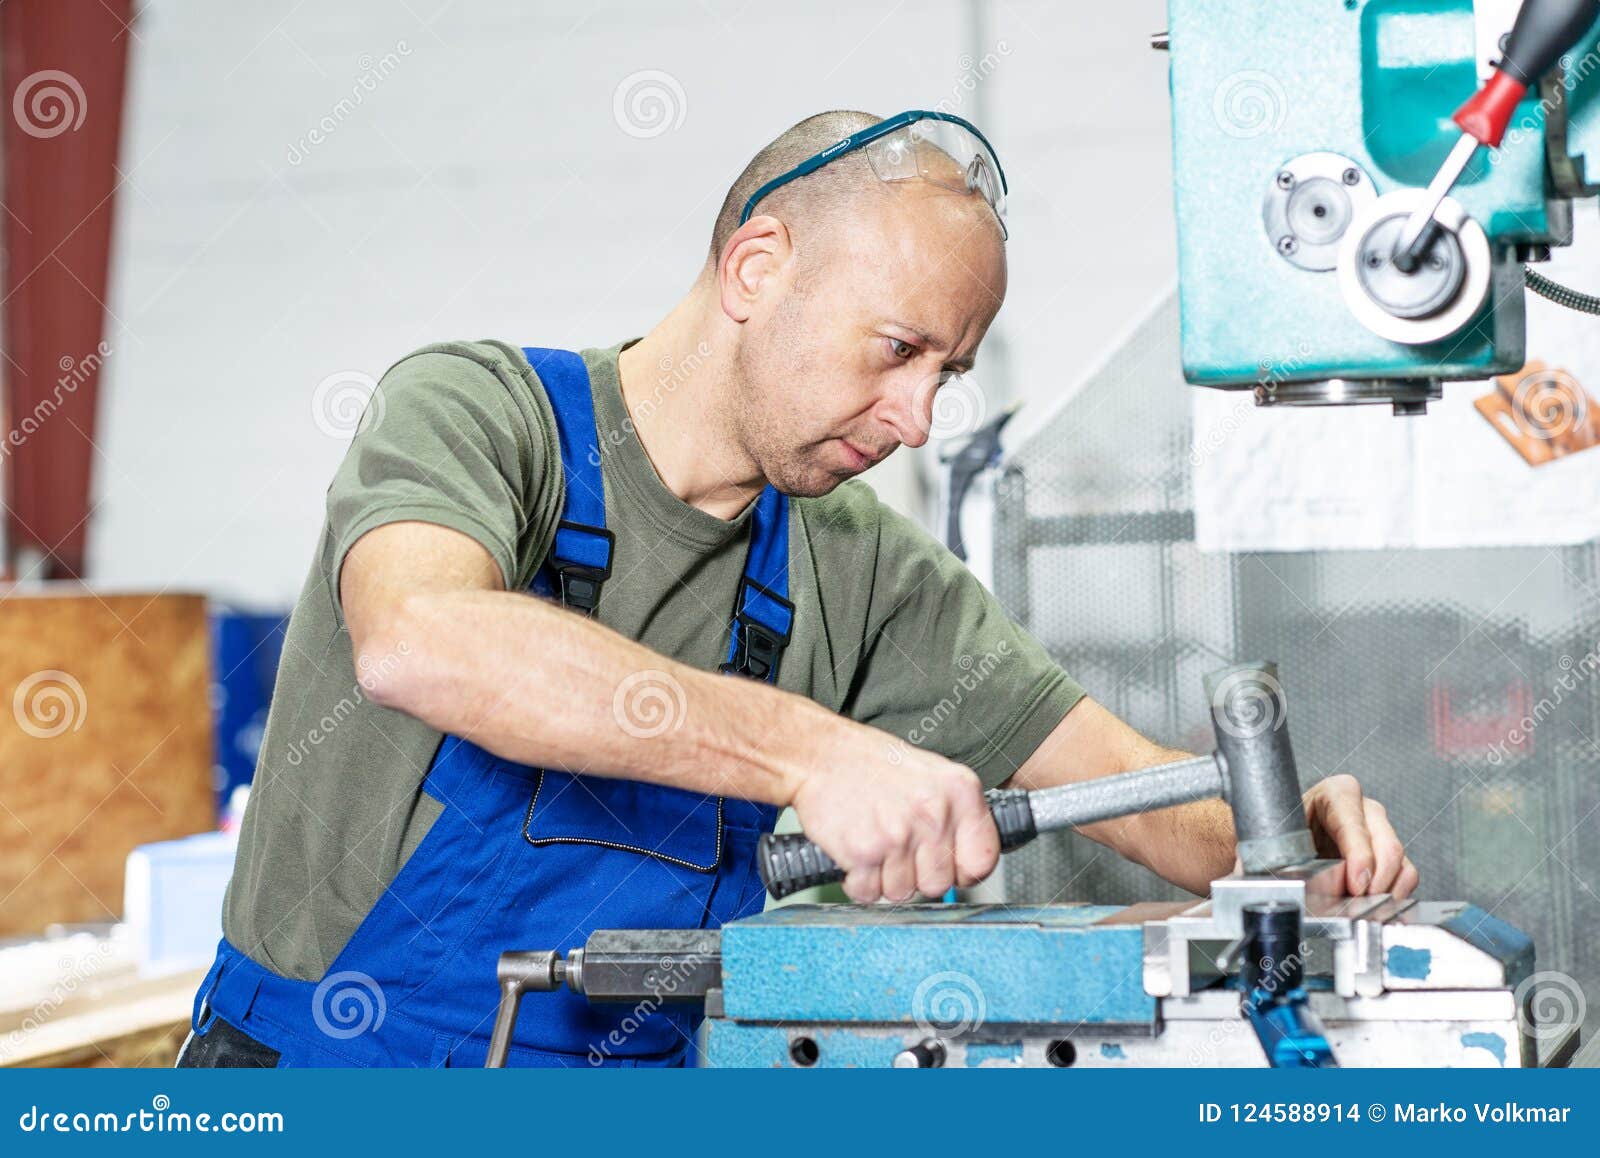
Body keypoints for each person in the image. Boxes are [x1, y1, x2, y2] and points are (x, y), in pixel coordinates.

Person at [179, 109, 1415, 1069]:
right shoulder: (482, 417)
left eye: (948, 373)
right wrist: (815, 756)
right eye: (899, 350)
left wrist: (1283, 840)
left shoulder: (858, 565)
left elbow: (1123, 789)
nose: (918, 418)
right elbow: (423, 640)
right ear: (756, 267)